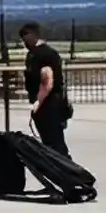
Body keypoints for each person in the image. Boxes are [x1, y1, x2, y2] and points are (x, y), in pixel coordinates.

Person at [19, 22, 72, 158]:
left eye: (25, 37)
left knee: (55, 144)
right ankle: (60, 172)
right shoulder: (33, 54)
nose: (24, 41)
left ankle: (69, 174)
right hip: (45, 104)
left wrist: (38, 101)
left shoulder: (46, 54)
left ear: (34, 35)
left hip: (50, 104)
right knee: (49, 143)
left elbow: (47, 81)